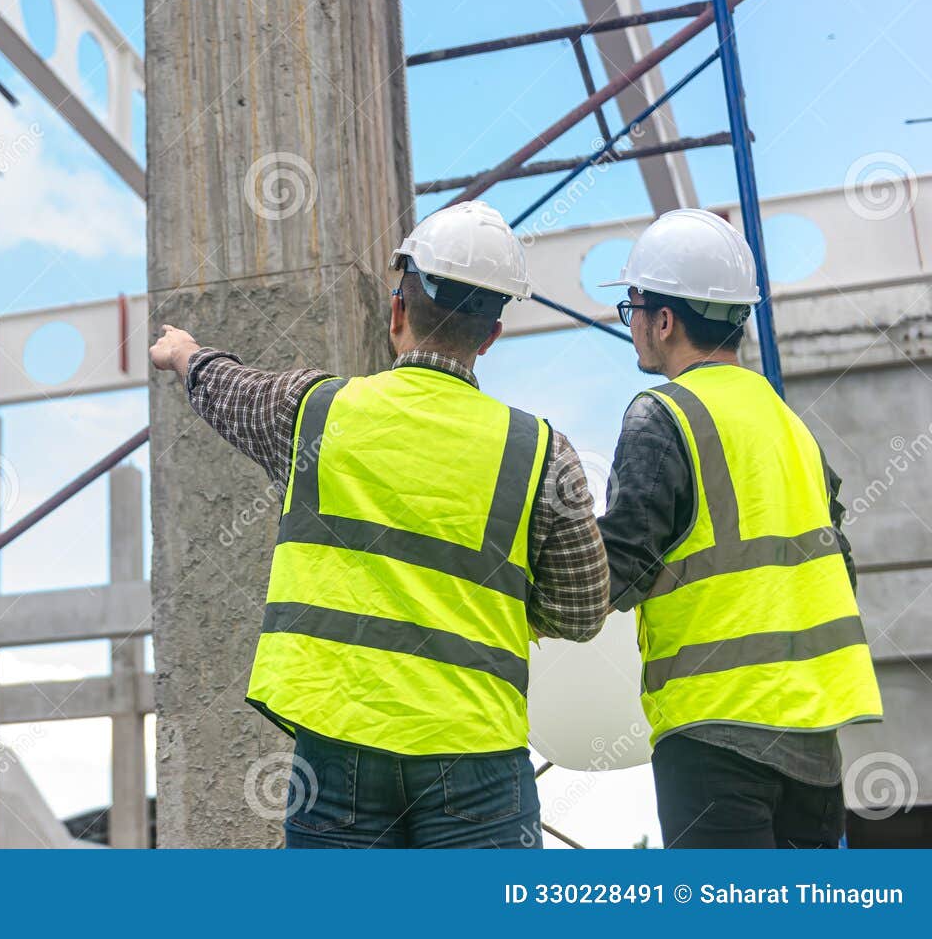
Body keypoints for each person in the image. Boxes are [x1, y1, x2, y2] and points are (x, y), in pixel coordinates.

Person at [150, 201, 608, 848]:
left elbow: (228, 390)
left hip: (339, 747)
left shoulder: (315, 412)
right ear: (490, 337)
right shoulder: (538, 451)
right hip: (475, 752)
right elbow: (584, 611)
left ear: (397, 313)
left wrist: (186, 355)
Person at [598, 208, 882, 848]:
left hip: (714, 738)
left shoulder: (663, 414)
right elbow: (840, 567)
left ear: (664, 320)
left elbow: (618, 571)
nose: (635, 324)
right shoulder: (790, 427)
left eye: (633, 307)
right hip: (814, 741)